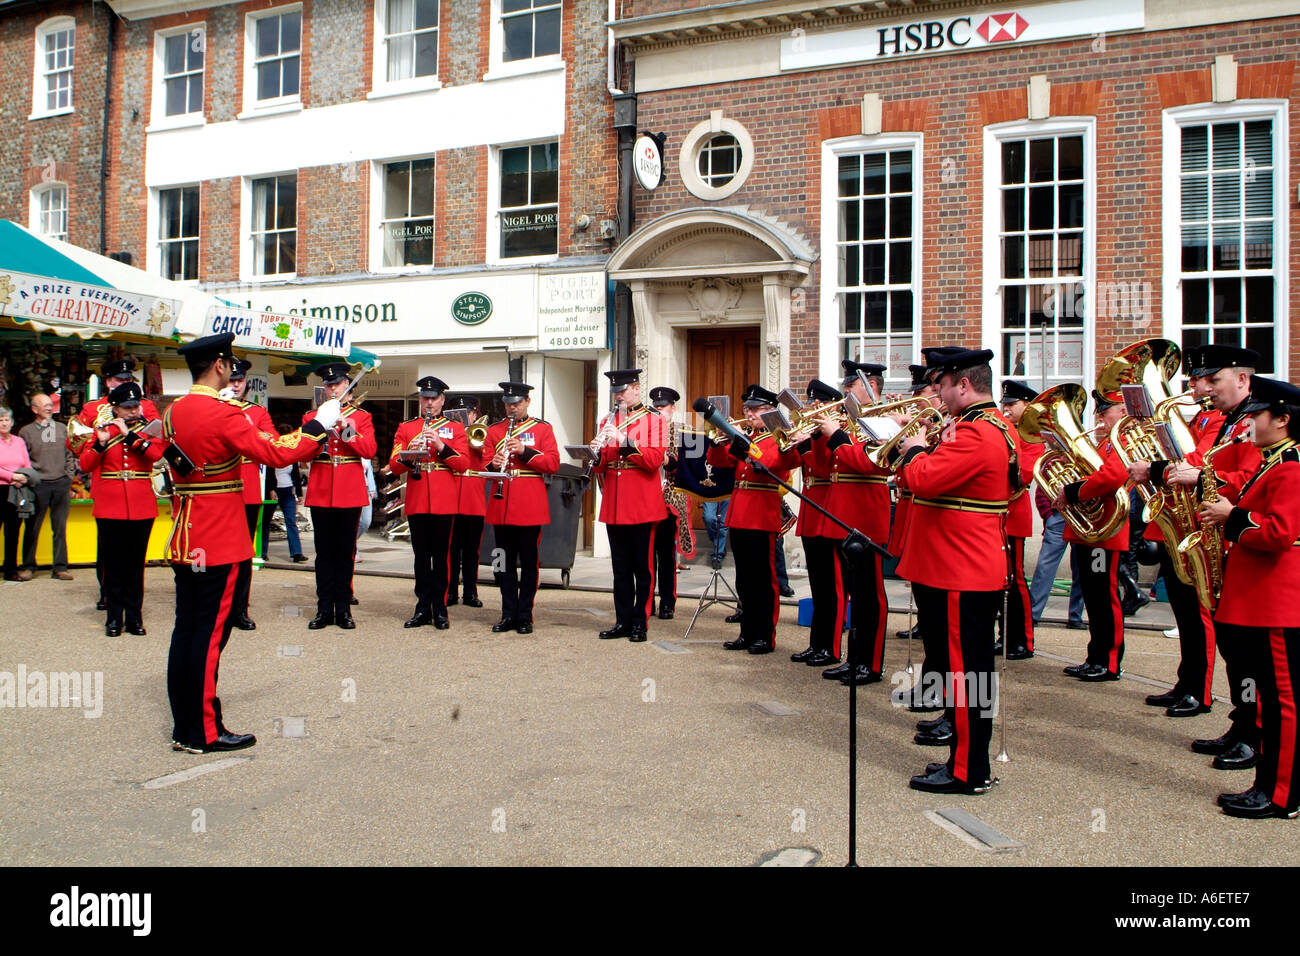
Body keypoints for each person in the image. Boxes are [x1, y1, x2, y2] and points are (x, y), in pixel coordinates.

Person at [164, 332, 335, 754]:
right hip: (218, 536)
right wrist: (316, 427)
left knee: (186, 630)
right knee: (208, 636)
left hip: (185, 532)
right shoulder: (223, 413)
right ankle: (202, 731)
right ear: (220, 366)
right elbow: (274, 453)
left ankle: (183, 724)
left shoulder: (173, 411)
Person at [892, 348, 1014, 795]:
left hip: (962, 567)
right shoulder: (978, 428)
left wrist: (916, 449)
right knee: (969, 674)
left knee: (969, 676)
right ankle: (966, 762)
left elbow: (923, 479)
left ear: (963, 383)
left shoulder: (979, 433)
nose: (937, 393)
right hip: (959, 563)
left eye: (941, 385)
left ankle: (969, 770)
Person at [1130, 345, 1261, 720]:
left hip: (1228, 536)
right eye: (1201, 379)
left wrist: (1162, 471)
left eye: (1211, 379)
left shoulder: (1247, 422)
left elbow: (1240, 478)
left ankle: (1237, 717)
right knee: (1195, 621)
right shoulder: (1220, 419)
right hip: (1196, 525)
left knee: (1237, 645)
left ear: (1241, 379)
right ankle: (1201, 691)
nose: (1202, 387)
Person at [1199, 375, 1300, 819]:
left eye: (1257, 413)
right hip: (1262, 596)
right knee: (1272, 699)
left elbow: (1279, 533)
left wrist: (1233, 516)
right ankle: (1268, 783)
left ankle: (1281, 794)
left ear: (1281, 419)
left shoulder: (1291, 465)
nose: (1250, 421)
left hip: (1278, 599)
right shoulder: (1273, 460)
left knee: (1283, 703)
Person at [810, 372, 892, 686]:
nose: (846, 389)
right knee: (854, 594)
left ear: (871, 386)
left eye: (852, 384)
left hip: (867, 514)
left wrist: (838, 438)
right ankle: (854, 658)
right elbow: (821, 466)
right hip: (842, 514)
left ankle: (870, 664)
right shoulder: (846, 421)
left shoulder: (882, 419)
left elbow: (872, 463)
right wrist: (820, 434)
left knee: (870, 596)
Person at [707, 384, 801, 655]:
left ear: (770, 410)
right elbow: (720, 461)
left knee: (764, 580)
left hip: (762, 512)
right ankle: (747, 632)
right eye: (748, 409)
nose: (749, 414)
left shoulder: (778, 437)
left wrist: (744, 447)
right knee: (744, 579)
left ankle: (764, 635)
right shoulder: (747, 436)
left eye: (755, 409)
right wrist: (717, 442)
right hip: (740, 512)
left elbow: (777, 463)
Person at [69, 358, 160, 611]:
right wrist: (98, 439)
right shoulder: (92, 409)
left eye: (129, 379)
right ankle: (107, 594)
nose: (125, 382)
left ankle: (128, 607)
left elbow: (153, 435)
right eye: (120, 380)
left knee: (133, 554)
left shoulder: (145, 407)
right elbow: (76, 444)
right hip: (108, 481)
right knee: (108, 550)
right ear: (109, 382)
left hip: (137, 485)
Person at [1056, 389, 1130, 683]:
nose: (1099, 419)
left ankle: (1109, 661)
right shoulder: (1104, 445)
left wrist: (1072, 491)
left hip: (1105, 533)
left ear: (1121, 413)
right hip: (1088, 531)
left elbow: (1110, 478)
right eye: (1099, 413)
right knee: (1092, 596)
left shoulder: (1122, 443)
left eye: (1104, 413)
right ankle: (1095, 656)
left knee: (1103, 597)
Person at [592, 369, 668, 643]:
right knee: (620, 568)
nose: (619, 396)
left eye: (623, 391)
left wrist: (624, 441)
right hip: (615, 502)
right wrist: (595, 451)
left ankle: (640, 621)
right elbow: (602, 465)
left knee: (642, 568)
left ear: (636, 388)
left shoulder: (654, 420)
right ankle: (622, 620)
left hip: (641, 503)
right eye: (616, 392)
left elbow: (654, 460)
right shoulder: (608, 420)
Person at [388, 376, 469, 630]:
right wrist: (410, 450)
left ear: (442, 401)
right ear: (420, 400)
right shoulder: (407, 427)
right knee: (421, 557)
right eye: (425, 398)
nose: (429, 403)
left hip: (444, 501)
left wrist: (440, 445)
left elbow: (463, 464)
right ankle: (422, 607)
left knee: (442, 557)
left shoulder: (455, 429)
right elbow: (393, 465)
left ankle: (441, 608)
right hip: (418, 499)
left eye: (434, 399)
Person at [301, 362, 377, 630]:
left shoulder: (362, 416)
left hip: (348, 490)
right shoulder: (312, 416)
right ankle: (323, 609)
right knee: (324, 554)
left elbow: (369, 449)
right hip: (322, 489)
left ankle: (343, 609)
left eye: (337, 383)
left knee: (345, 553)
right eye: (328, 384)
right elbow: (304, 451)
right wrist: (320, 425)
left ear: (347, 384)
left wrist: (346, 428)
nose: (332, 388)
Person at [483, 382, 560, 634]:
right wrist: (494, 464)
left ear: (527, 402)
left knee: (528, 563)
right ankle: (507, 613)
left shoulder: (542, 428)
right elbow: (484, 467)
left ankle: (525, 614)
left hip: (529, 504)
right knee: (502, 562)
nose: (511, 407)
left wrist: (525, 451)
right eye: (508, 403)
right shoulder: (495, 430)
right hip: (501, 503)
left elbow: (552, 464)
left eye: (516, 403)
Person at [225, 359, 273, 630]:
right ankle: (219, 601)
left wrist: (248, 428)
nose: (235, 385)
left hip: (248, 487)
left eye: (239, 381)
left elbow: (272, 440)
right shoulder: (216, 408)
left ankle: (240, 608)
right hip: (220, 487)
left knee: (244, 552)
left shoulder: (256, 413)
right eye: (232, 380)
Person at [997, 380, 1039, 659]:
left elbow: (1025, 473)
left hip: (1014, 513)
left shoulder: (1032, 435)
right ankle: (1005, 635)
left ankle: (1023, 639)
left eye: (1012, 404)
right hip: (997, 514)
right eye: (1005, 404)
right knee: (1000, 579)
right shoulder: (1002, 429)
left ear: (1027, 405)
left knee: (1016, 579)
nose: (1007, 409)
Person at [18, 393, 76, 581]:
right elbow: (22, 460)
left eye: (51, 405)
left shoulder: (61, 428)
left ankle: (60, 567)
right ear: (35, 409)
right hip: (38, 485)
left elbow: (70, 454)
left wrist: (69, 476)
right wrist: (31, 479)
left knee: (59, 528)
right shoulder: (26, 432)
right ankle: (28, 566)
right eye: (45, 405)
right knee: (32, 527)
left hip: (60, 483)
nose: (50, 408)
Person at [447, 397, 487, 608]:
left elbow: (487, 457)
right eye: (461, 413)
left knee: (472, 549)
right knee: (452, 548)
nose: (467, 416)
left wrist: (472, 437)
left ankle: (470, 592)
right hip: (452, 494)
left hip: (473, 497)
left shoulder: (480, 433)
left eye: (469, 412)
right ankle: (451, 591)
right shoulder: (449, 433)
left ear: (474, 415)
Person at [649, 386, 684, 620]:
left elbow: (689, 469)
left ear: (673, 408)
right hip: (648, 499)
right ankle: (647, 599)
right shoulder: (646, 431)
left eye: (663, 407)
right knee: (646, 554)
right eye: (656, 407)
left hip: (670, 498)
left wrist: (668, 460)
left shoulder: (683, 433)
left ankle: (668, 602)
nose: (660, 411)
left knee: (666, 554)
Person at [1, 407, 33, 582]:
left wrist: (24, 477)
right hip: (1, 488)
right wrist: (11, 476)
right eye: (1, 420)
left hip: (18, 489)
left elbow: (26, 462)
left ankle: (10, 570)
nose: (4, 423)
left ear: (12, 423)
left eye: (7, 420)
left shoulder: (19, 441)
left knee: (13, 532)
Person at [268, 434, 306, 562]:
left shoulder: (292, 457)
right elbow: (268, 474)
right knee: (266, 521)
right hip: (275, 489)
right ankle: (262, 551)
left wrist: (299, 493)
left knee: (291, 521)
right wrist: (270, 489)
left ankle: (296, 552)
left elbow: (295, 475)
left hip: (288, 489)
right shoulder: (271, 454)